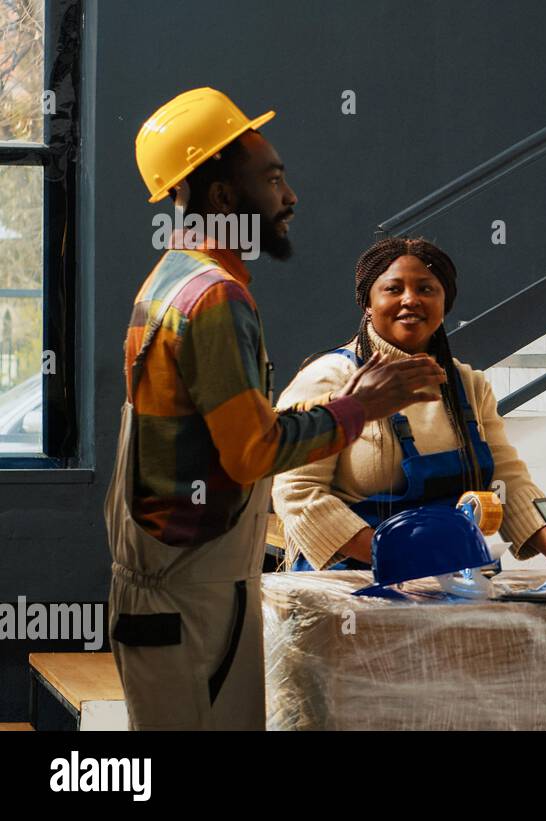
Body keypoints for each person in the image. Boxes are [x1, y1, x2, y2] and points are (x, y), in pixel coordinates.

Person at [108, 88, 444, 730]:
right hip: (193, 594)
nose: (289, 198)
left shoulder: (171, 279)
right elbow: (252, 452)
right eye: (272, 179)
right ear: (224, 199)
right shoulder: (214, 298)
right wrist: (359, 407)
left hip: (174, 583)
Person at [272, 236, 546, 572]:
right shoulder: (329, 379)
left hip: (452, 581)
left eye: (426, 289)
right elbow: (297, 493)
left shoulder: (467, 385)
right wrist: (398, 557)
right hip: (354, 587)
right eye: (393, 289)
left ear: (445, 303)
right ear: (367, 303)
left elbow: (509, 483)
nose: (411, 300)